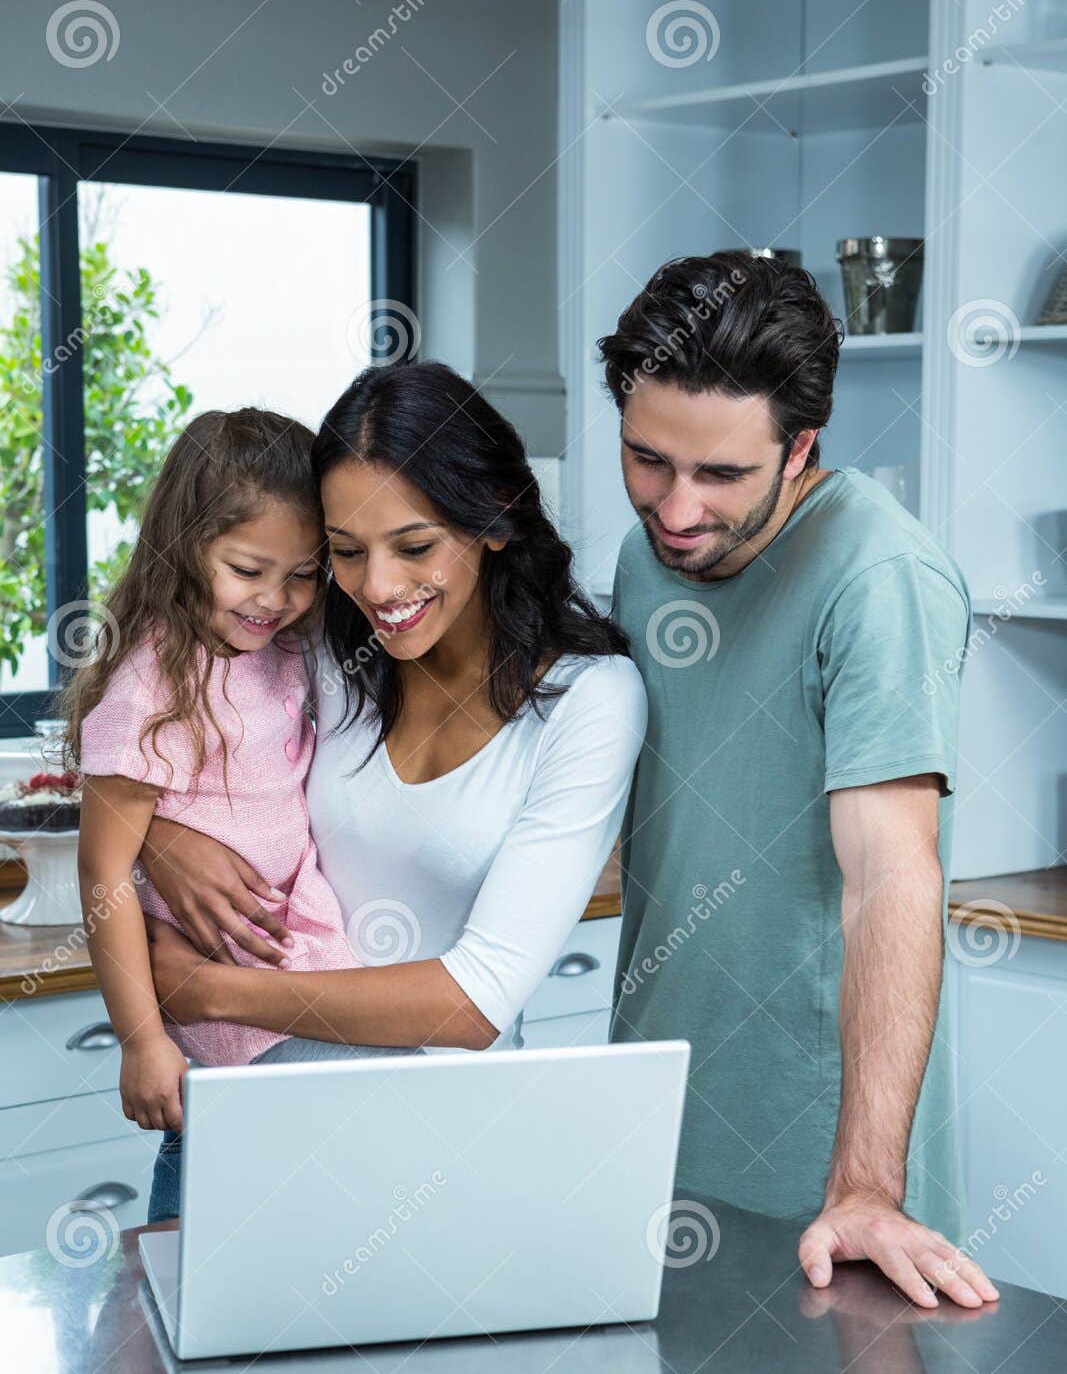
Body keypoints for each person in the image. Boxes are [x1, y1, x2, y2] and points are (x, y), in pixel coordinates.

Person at [599, 251, 998, 1310]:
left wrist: (865, 1181)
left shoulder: (877, 578)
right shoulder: (648, 561)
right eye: (646, 460)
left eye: (720, 475)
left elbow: (890, 870)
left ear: (800, 447)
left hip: (818, 1167)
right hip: (653, 1115)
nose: (675, 507)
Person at [135, 363, 647, 1076]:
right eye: (345, 551)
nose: (376, 587)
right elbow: (125, 735)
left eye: (414, 547)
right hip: (246, 1103)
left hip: (442, 1134)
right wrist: (159, 837)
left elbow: (475, 1001)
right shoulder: (312, 642)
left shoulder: (590, 700)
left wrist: (218, 992)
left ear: (493, 519)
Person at [67, 409, 409, 1224]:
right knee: (233, 1207)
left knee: (308, 1198)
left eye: (302, 575)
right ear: (184, 545)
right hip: (232, 1000)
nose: (276, 600)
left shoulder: (282, 644)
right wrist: (142, 1041)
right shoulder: (151, 685)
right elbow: (101, 868)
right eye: (248, 569)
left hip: (305, 959)